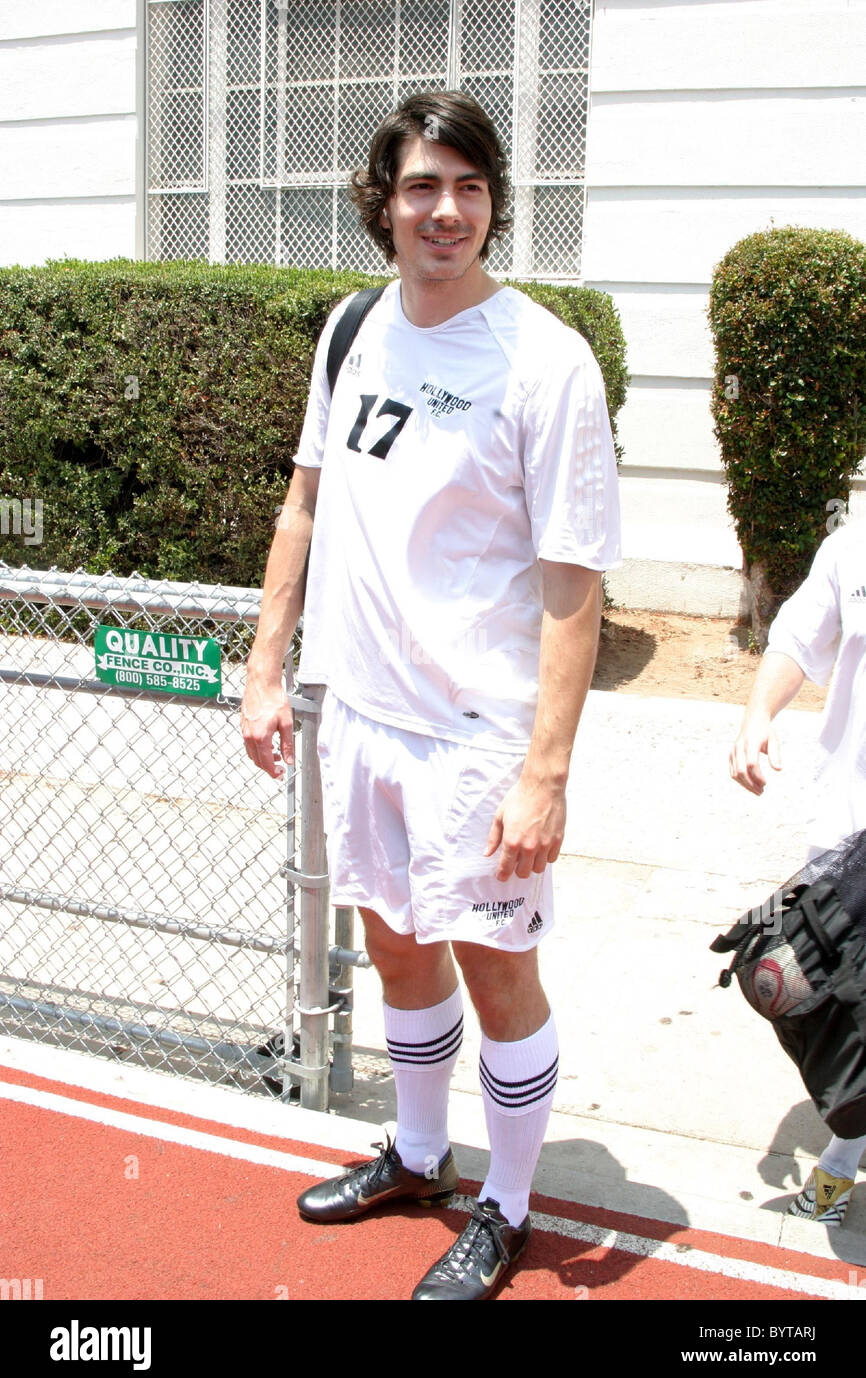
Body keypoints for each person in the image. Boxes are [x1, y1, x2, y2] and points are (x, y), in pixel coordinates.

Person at [242, 90, 621, 1299]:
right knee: (396, 948)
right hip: (357, 710)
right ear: (382, 204)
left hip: (477, 736)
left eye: (466, 184)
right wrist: (266, 665)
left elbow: (573, 581)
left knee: (493, 966)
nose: (443, 209)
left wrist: (544, 771)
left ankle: (506, 1204)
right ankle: (416, 1152)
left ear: (494, 202)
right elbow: (306, 497)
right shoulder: (352, 328)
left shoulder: (545, 361)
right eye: (420, 186)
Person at [730, 516, 866, 1225]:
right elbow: (799, 636)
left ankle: (841, 1163)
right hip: (851, 829)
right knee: (798, 985)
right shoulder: (856, 543)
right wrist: (757, 713)